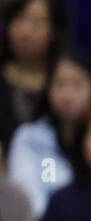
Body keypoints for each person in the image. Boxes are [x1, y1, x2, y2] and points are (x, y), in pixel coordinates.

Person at [6, 49, 91, 218]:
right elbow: (30, 195)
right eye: (59, 84)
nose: (67, 95)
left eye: (77, 84)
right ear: (48, 89)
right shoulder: (30, 138)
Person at [0, 0, 64, 148]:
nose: (25, 31)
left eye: (36, 22)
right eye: (18, 19)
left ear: (54, 28)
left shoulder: (68, 75)